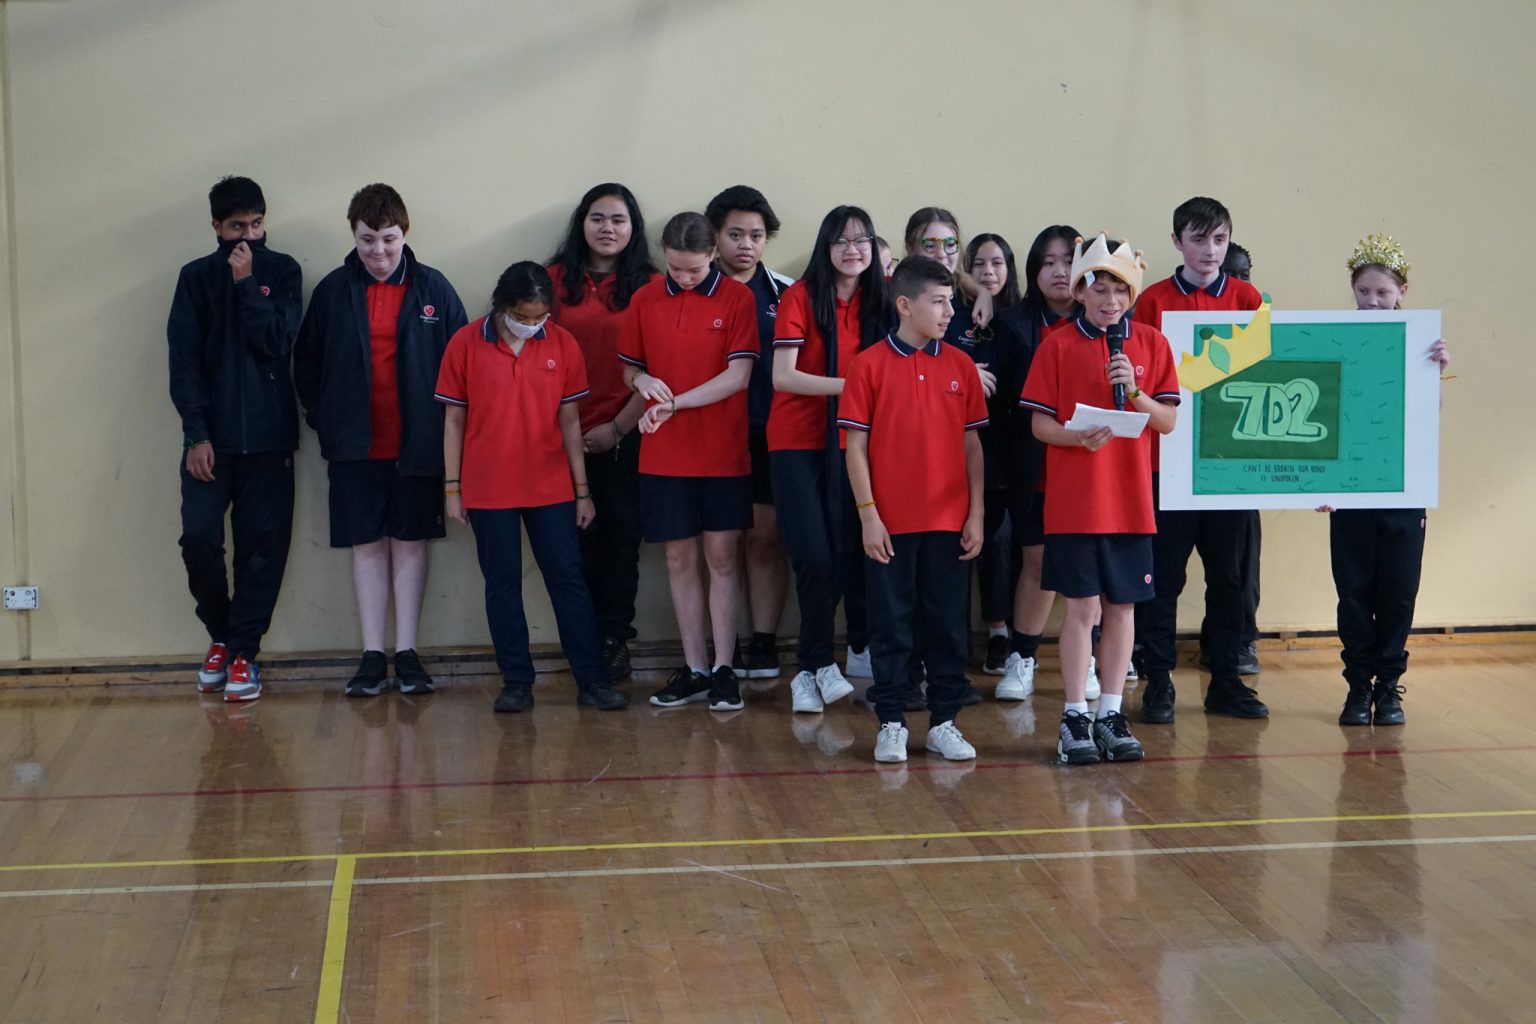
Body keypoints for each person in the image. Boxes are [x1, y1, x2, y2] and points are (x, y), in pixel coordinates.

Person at [294, 183, 467, 698]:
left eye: (388, 239)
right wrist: (326, 419)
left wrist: (448, 434)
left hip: (419, 446)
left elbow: (462, 365)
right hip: (355, 446)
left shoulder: (434, 288)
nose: (379, 251)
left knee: (411, 545)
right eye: (367, 239)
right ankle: (372, 655)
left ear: (404, 233)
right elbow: (307, 364)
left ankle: (407, 654)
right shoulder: (332, 291)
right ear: (354, 235)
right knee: (367, 547)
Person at [435, 262, 627, 714]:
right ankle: (517, 682)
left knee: (568, 580)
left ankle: (592, 680)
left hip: (551, 486)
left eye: (541, 317)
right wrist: (453, 489)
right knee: (502, 585)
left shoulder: (562, 343)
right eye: (523, 316)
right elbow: (454, 421)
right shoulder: (465, 343)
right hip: (488, 487)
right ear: (502, 305)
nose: (532, 324)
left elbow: (570, 422)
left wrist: (582, 491)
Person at [1019, 233, 1179, 765]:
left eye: (1120, 290)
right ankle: (1074, 716)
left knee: (1122, 606)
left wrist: (1135, 392)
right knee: (1082, 607)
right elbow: (1040, 425)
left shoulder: (1151, 344)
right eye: (1100, 288)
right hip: (1075, 502)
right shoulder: (1056, 345)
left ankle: (1111, 712)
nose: (1110, 300)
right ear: (1081, 291)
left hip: (1130, 501)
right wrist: (1076, 437)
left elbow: (1167, 422)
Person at [840, 256, 988, 764]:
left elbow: (972, 446)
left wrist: (976, 513)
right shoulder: (868, 365)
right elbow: (855, 448)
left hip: (949, 523)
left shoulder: (961, 366)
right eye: (939, 302)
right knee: (890, 625)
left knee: (946, 626)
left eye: (951, 302)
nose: (949, 312)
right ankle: (892, 723)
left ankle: (945, 722)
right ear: (905, 305)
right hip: (889, 525)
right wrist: (869, 515)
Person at [1132, 196, 1267, 724]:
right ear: (1177, 241)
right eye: (1198, 239)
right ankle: (1159, 681)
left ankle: (1226, 680)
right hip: (1166, 465)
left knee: (1229, 579)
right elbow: (1141, 379)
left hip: (1228, 466)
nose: (1210, 250)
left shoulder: (1248, 298)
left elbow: (1264, 375)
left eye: (1220, 239)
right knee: (1164, 579)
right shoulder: (1152, 301)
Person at [168, 176, 302, 703]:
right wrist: (195, 434)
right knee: (199, 539)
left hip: (270, 441)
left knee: (262, 550)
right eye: (236, 226)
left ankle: (244, 652)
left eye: (256, 224)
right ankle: (222, 637)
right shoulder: (195, 278)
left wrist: (248, 285)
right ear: (216, 227)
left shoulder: (283, 271)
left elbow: (277, 342)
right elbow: (183, 364)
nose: (248, 235)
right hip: (211, 443)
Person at [619, 212, 759, 711]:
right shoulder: (645, 299)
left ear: (713, 255)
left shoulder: (738, 299)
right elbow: (629, 367)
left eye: (694, 270)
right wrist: (641, 381)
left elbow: (738, 376)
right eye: (675, 269)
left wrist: (676, 403)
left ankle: (724, 668)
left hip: (721, 451)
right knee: (678, 559)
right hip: (662, 454)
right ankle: (695, 667)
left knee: (721, 558)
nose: (683, 278)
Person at [769, 205, 891, 714]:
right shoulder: (800, 296)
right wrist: (856, 386)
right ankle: (813, 665)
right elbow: (783, 376)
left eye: (862, 240)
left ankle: (818, 666)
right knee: (813, 557)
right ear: (825, 246)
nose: (852, 249)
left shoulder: (882, 299)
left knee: (846, 558)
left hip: (856, 445)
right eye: (841, 240)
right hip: (797, 442)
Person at [1327, 233, 1449, 726]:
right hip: (1351, 489)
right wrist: (1323, 483)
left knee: (1398, 592)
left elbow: (1428, 416)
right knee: (1354, 592)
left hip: (1404, 489)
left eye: (1383, 292)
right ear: (1352, 291)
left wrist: (1434, 370)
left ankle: (1389, 687)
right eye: (1364, 292)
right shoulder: (1336, 341)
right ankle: (1358, 686)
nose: (1373, 301)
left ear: (1402, 291)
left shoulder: (1419, 342)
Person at [548, 184, 658, 683]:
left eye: (618, 219)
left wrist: (617, 428)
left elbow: (661, 365)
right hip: (557, 436)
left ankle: (613, 639)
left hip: (627, 431)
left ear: (633, 227)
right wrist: (567, 431)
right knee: (572, 542)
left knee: (621, 539)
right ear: (581, 223)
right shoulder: (552, 281)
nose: (607, 228)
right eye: (597, 218)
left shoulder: (652, 286)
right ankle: (582, 640)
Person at [993, 225, 1101, 703]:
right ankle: (1023, 657)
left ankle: (1089, 658)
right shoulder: (1012, 324)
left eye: (1068, 262)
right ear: (1033, 271)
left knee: (1090, 566)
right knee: (1035, 560)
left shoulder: (1107, 319)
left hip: (1092, 468)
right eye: (1048, 263)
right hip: (1033, 463)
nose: (1059, 271)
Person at [705, 186, 793, 681]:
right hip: (710, 436)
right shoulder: (696, 288)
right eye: (735, 234)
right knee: (718, 547)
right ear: (715, 237)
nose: (746, 244)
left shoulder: (785, 291)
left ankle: (763, 642)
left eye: (756, 235)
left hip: (768, 432)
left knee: (764, 540)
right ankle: (723, 647)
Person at [957, 234, 1027, 674]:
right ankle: (997, 632)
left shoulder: (1022, 318)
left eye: (997, 263)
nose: (988, 272)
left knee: (1021, 545)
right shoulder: (955, 317)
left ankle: (1022, 637)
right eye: (979, 264)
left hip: (1022, 444)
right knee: (990, 543)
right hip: (974, 446)